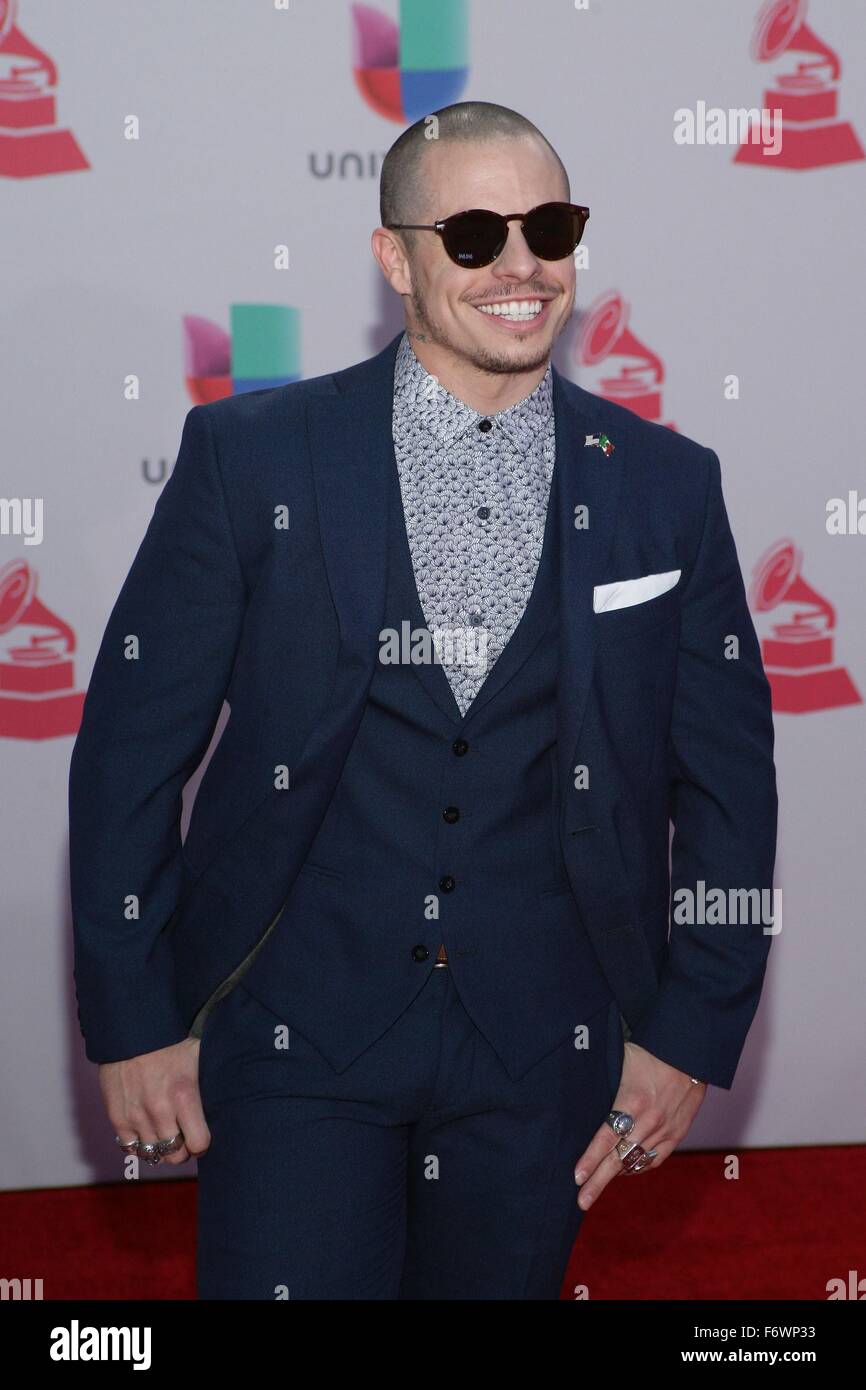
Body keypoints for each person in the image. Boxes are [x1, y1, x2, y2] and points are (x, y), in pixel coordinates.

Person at [69, 101, 778, 1300]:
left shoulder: (665, 486)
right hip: (295, 1037)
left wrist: (688, 1033)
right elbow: (129, 753)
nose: (519, 265)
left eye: (546, 225)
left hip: (540, 1052)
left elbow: (728, 790)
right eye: (470, 234)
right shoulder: (255, 458)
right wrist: (133, 1021)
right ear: (393, 256)